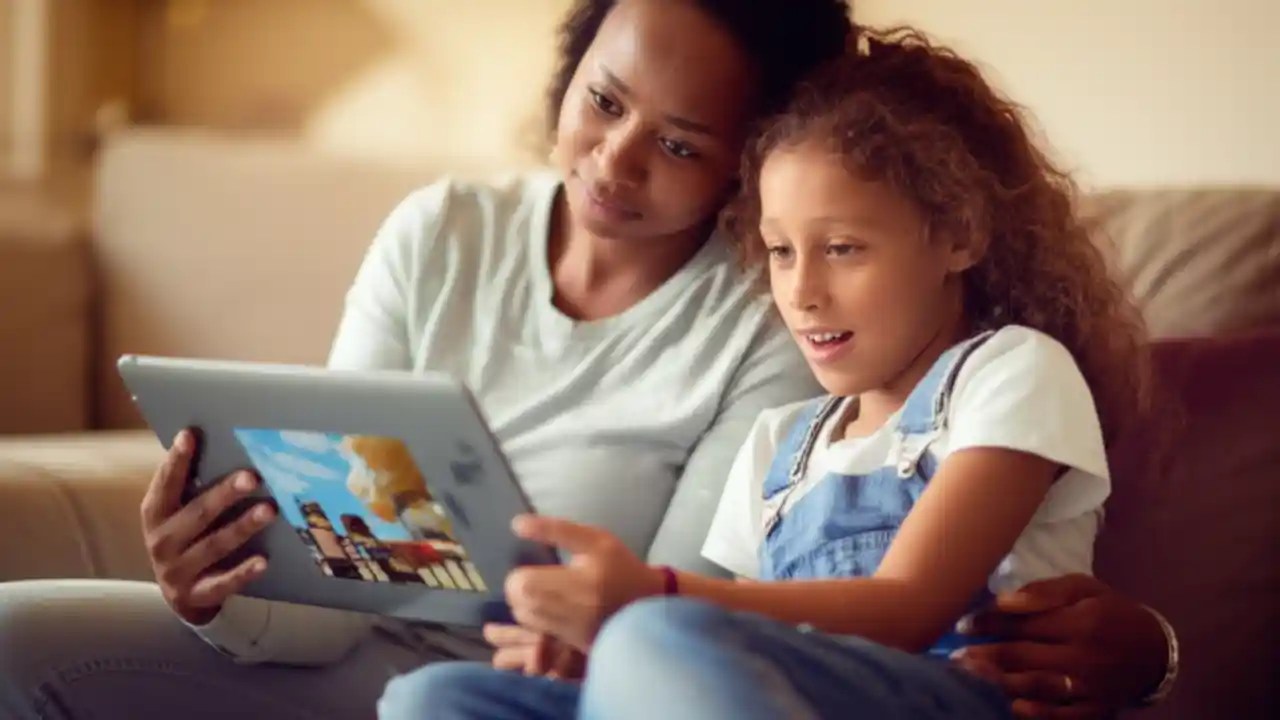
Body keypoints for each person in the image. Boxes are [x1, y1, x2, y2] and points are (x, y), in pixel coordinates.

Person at [0, 3, 1173, 719]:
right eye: (600, 101)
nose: (612, 163)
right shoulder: (442, 233)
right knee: (417, 694)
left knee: (647, 646)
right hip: (480, 669)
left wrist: (615, 617)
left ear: (737, 165)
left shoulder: (814, 336)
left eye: (676, 141)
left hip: (680, 673)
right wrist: (230, 584)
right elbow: (340, 579)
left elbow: (700, 627)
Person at [379, 27, 1176, 720]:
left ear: (959, 235)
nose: (800, 291)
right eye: (782, 251)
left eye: (842, 249)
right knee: (440, 698)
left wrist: (646, 602)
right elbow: (727, 644)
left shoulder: (1011, 371)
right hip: (790, 698)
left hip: (951, 695)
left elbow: (907, 609)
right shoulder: (781, 443)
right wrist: (588, 644)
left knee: (660, 633)